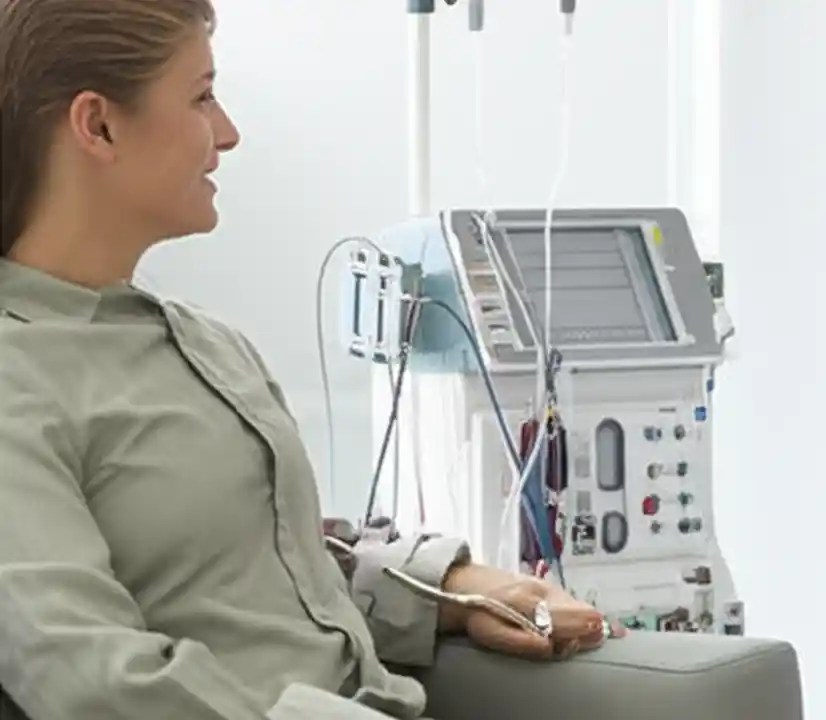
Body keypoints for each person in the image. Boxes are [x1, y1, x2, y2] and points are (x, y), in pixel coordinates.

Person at [0, 1, 619, 718]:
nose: (227, 133)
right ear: (98, 125)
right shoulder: (19, 376)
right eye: (201, 96)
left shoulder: (206, 346)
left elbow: (268, 567)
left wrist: (456, 587)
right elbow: (89, 675)